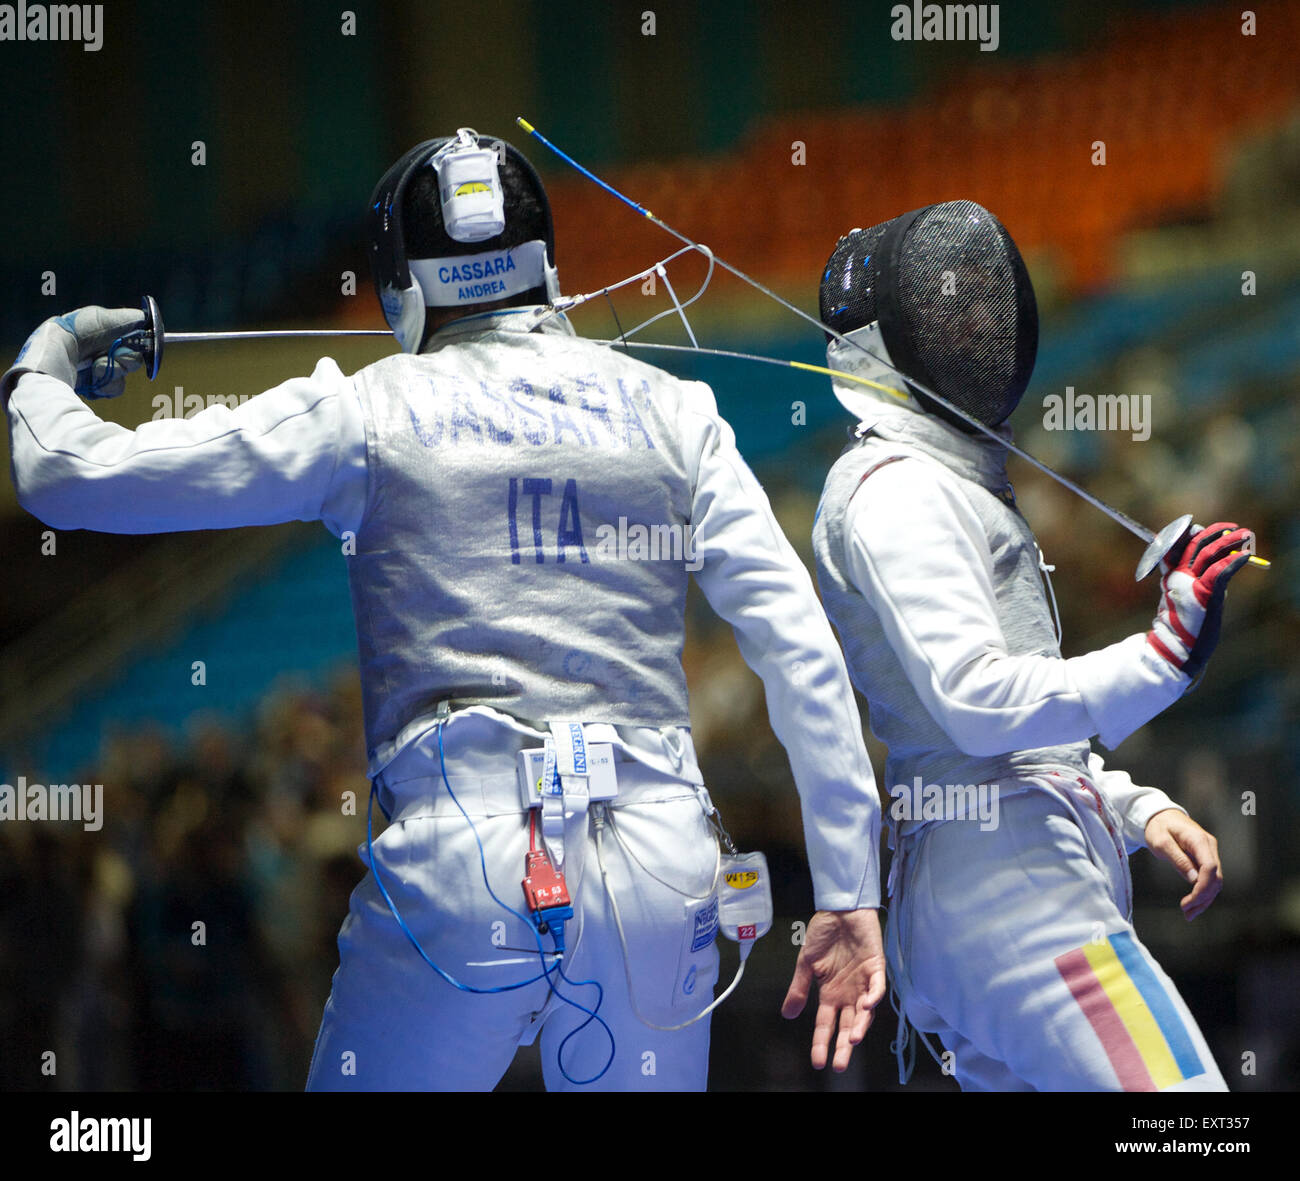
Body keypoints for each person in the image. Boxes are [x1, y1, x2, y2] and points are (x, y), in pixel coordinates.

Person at [3, 130, 885, 1091]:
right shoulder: (677, 412)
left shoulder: (365, 411)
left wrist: (42, 368)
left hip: (465, 857)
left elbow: (66, 475)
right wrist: (848, 887)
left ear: (404, 284)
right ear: (546, 263)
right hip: (660, 868)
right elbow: (802, 648)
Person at [810, 200, 1254, 1091]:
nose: (979, 324)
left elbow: (1012, 745)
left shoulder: (940, 480)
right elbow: (976, 704)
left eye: (984, 300)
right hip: (1021, 899)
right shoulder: (899, 490)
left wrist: (1128, 806)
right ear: (893, 343)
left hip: (985, 885)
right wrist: (1163, 653)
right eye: (949, 308)